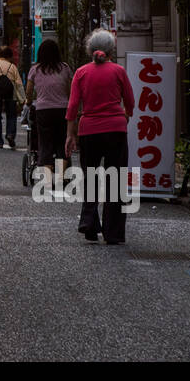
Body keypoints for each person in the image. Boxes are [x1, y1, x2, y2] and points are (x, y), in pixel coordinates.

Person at [64, 29, 136, 244]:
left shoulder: (81, 72)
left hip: (89, 130)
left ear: (89, 49)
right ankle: (113, 233)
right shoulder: (118, 71)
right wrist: (125, 116)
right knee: (115, 180)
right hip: (115, 129)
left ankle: (89, 224)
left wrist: (70, 134)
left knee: (91, 178)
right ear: (112, 49)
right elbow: (130, 101)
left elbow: (73, 106)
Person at [26, 38, 74, 188]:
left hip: (43, 111)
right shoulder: (65, 68)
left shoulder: (35, 69)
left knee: (45, 143)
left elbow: (28, 91)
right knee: (61, 143)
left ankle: (46, 180)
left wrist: (28, 101)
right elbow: (71, 90)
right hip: (62, 110)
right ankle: (61, 177)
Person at [0, 46, 26, 149]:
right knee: (11, 116)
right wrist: (23, 100)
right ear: (9, 56)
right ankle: (10, 134)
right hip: (11, 95)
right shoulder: (12, 67)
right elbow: (19, 84)